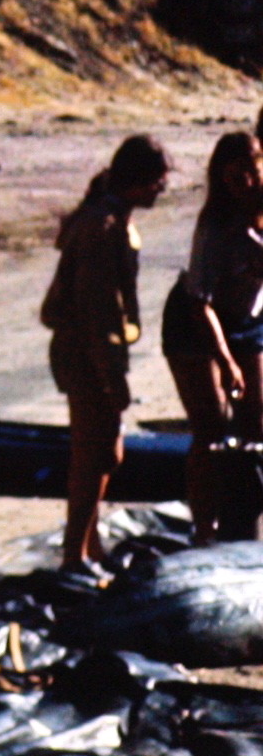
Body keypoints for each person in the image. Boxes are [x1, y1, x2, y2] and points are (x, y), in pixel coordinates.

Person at [42, 135, 170, 577]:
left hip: (93, 350)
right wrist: (111, 375)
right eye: (158, 180)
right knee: (94, 453)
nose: (162, 189)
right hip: (88, 352)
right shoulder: (103, 228)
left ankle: (88, 544)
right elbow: (98, 311)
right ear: (138, 180)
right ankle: (74, 553)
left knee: (102, 453)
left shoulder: (110, 219)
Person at [166, 132, 263, 543]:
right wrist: (224, 360)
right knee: (209, 428)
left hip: (247, 319)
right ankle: (204, 528)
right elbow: (199, 301)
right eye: (235, 170)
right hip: (197, 322)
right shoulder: (214, 225)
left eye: (253, 166)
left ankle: (246, 522)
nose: (245, 177)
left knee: (256, 422)